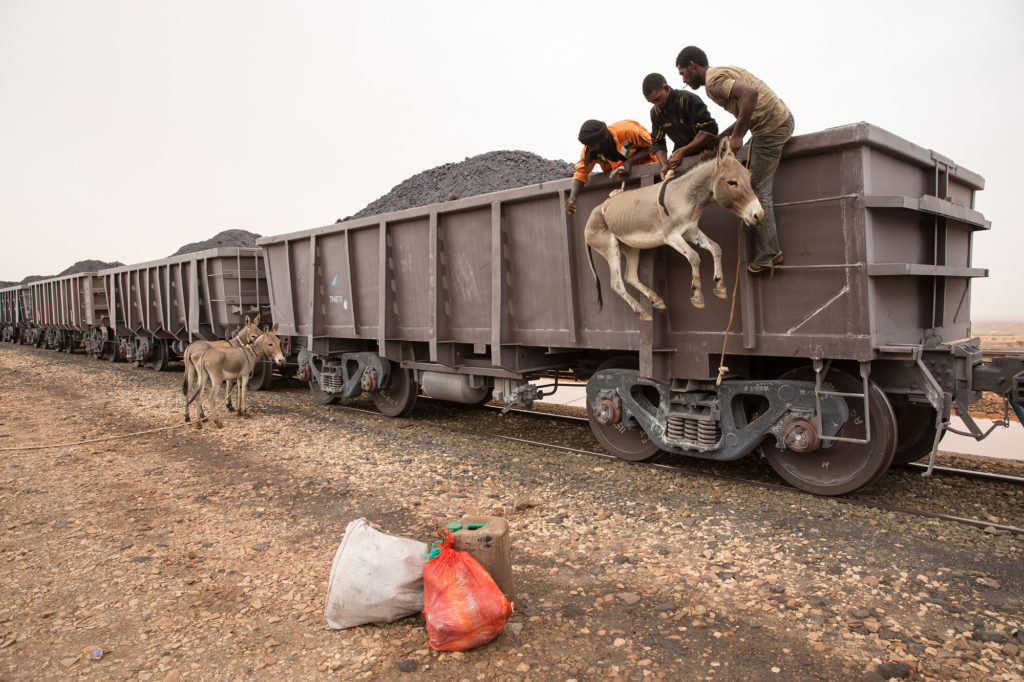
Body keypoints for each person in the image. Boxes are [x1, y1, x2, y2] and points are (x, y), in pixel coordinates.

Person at [676, 46, 794, 273]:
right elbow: (745, 111)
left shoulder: (713, 83)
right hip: (780, 119)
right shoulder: (720, 73)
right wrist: (724, 137)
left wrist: (738, 135)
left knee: (756, 188)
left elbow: (750, 94)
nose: (683, 80)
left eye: (683, 73)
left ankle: (770, 254)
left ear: (692, 65)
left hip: (771, 128)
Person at [565, 119, 657, 215]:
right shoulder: (590, 151)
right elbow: (581, 174)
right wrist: (572, 197)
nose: (590, 149)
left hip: (649, 178)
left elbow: (652, 144)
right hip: (626, 185)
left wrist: (629, 162)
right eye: (588, 146)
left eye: (592, 145)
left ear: (604, 138)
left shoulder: (628, 132)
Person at [642, 73, 718, 179]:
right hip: (682, 160)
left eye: (657, 99)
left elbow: (710, 129)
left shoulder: (687, 99)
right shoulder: (656, 112)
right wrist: (664, 164)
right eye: (652, 102)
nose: (656, 104)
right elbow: (658, 141)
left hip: (709, 154)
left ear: (666, 88)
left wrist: (684, 151)